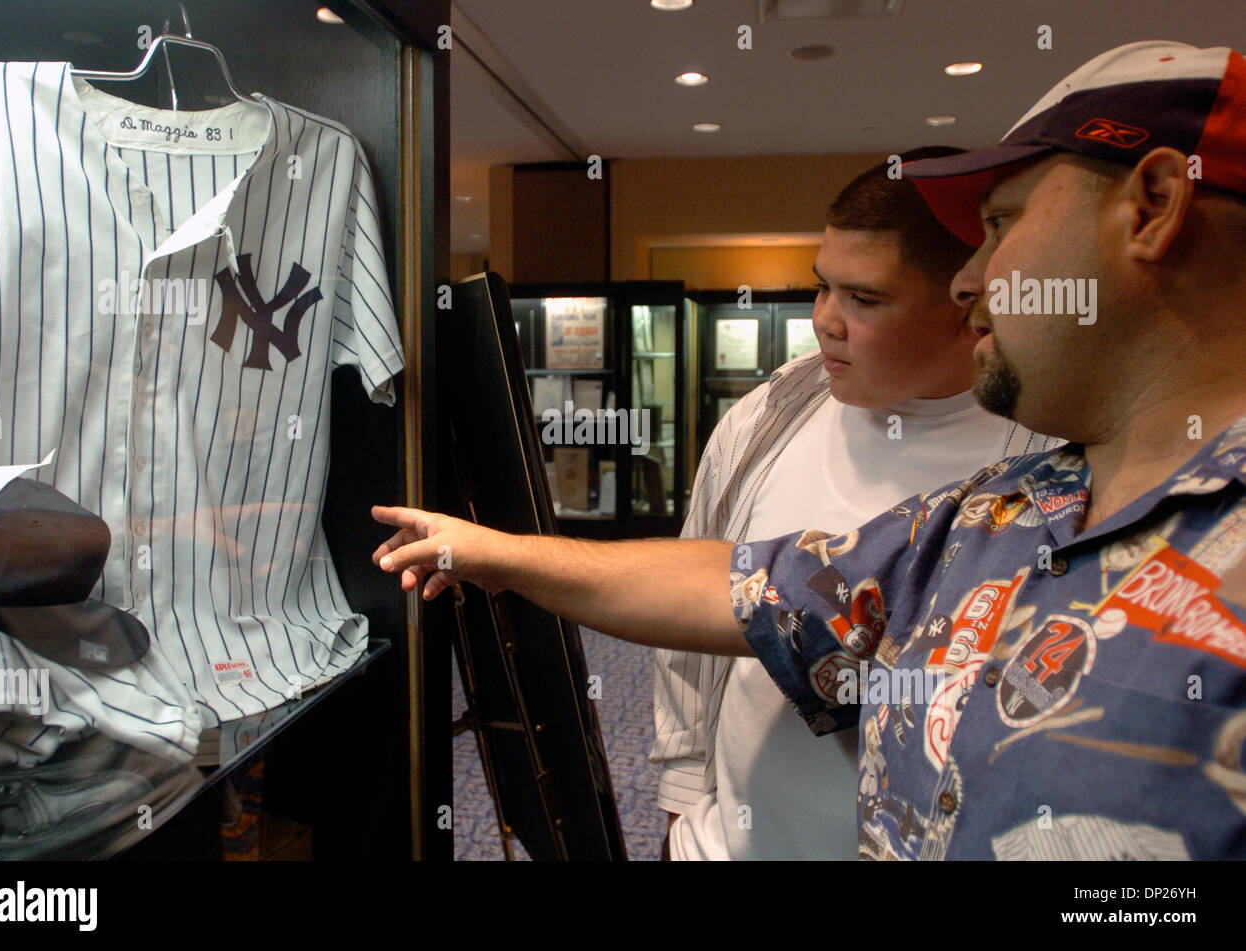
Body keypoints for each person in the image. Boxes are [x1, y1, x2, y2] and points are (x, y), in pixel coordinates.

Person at [375, 41, 1246, 859]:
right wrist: (504, 552)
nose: (971, 278)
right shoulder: (1003, 510)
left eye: (1002, 221)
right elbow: (742, 587)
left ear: (1153, 206)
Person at [653, 147, 1056, 861]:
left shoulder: (1046, 451)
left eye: (863, 300)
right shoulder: (770, 413)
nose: (824, 321)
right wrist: (684, 804)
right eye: (823, 287)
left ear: (967, 300)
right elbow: (692, 593)